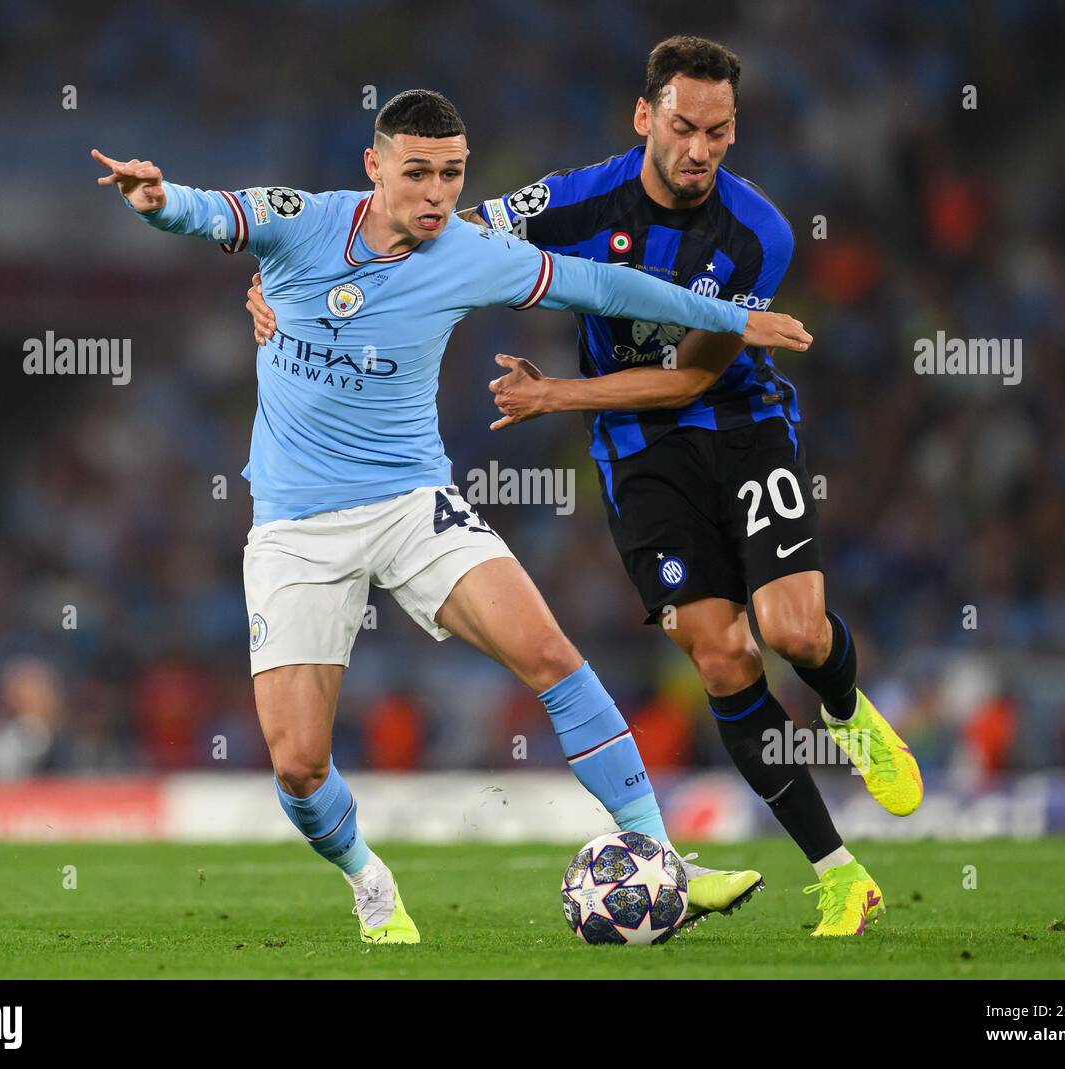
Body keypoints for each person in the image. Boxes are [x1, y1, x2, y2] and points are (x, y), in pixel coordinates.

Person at [94, 87, 811, 944]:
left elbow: (607, 284)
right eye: (419, 173)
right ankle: (368, 877)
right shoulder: (305, 222)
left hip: (411, 501)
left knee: (548, 651)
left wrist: (733, 317)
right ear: (375, 166)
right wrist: (157, 200)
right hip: (296, 526)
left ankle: (663, 858)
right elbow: (213, 213)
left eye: (453, 174)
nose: (437, 193)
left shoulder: (474, 253)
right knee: (297, 763)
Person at [248, 36, 924, 937]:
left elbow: (690, 379)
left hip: (741, 427)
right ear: (645, 117)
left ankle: (845, 707)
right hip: (639, 451)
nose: (700, 149)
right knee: (723, 658)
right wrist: (279, 283)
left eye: (719, 132)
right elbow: (426, 236)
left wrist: (555, 395)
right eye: (683, 126)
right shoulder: (571, 199)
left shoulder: (759, 233)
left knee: (793, 630)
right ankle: (840, 872)